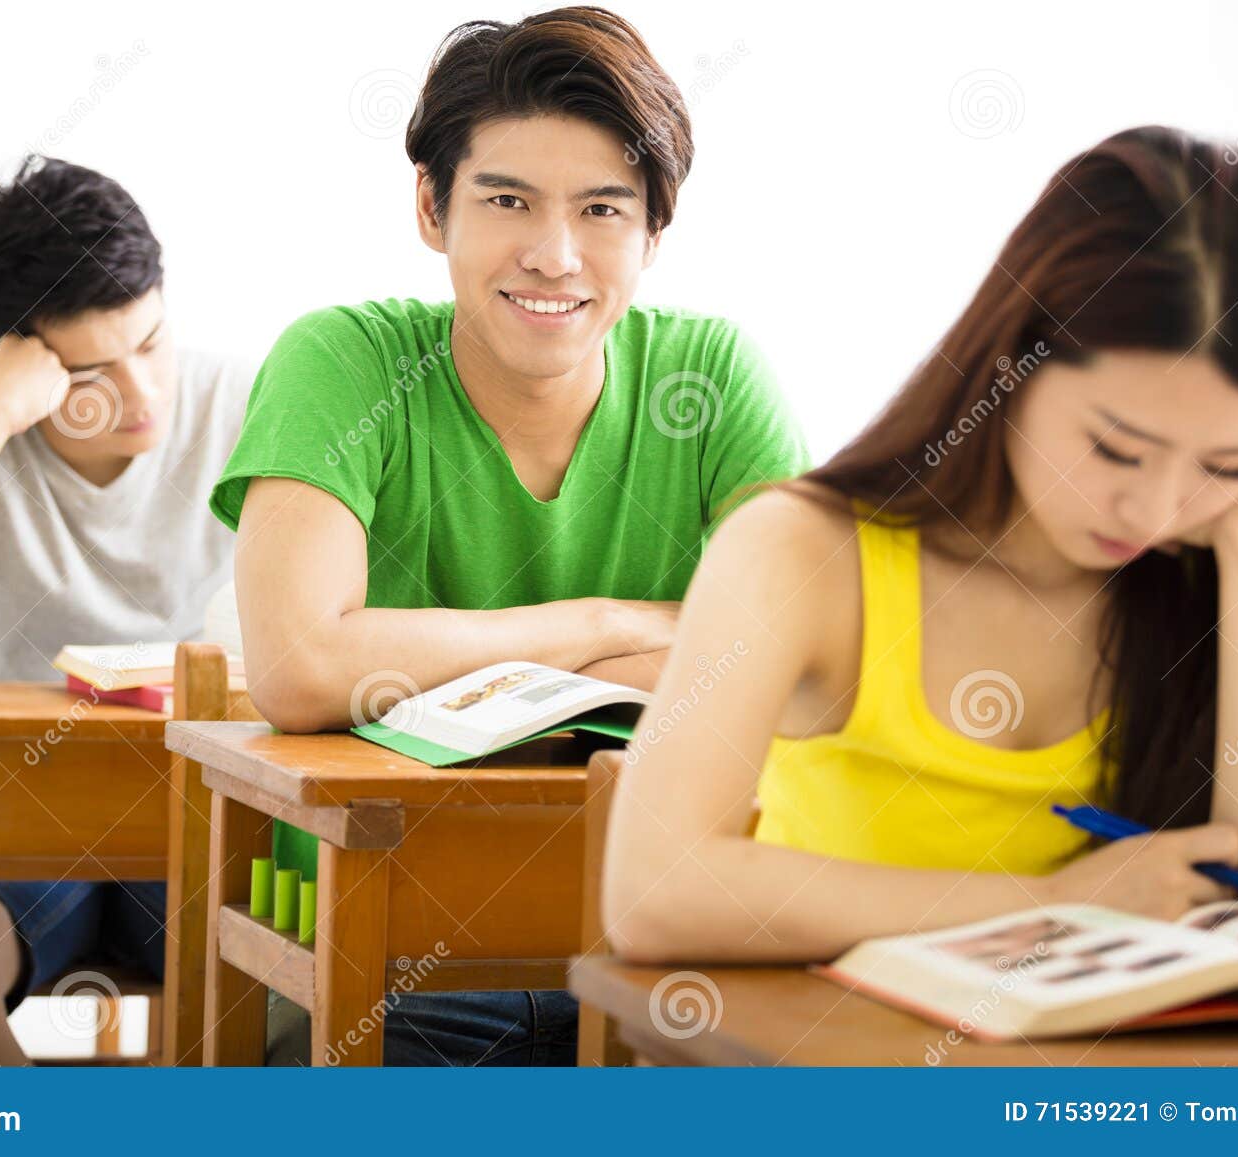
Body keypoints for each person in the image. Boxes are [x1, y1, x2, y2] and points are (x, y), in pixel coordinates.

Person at [213, 6, 808, 1063]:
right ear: (431, 207)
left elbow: (795, 671)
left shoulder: (712, 378)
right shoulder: (343, 363)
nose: (553, 253)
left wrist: (404, 648)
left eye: (601, 209)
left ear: (654, 232)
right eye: (507, 200)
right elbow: (302, 669)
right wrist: (608, 622)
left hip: (667, 949)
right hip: (385, 949)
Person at [603, 126, 1238, 967]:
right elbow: (655, 891)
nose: (1157, 506)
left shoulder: (1215, 566)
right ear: (1011, 365)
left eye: (1224, 462)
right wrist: (1059, 905)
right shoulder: (801, 554)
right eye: (1117, 449)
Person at [0, 157, 253, 1063]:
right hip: (10, 833)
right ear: (10, 357)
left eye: (150, 344)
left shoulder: (244, 403)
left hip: (200, 820)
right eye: (94, 370)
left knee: (305, 975)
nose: (142, 395)